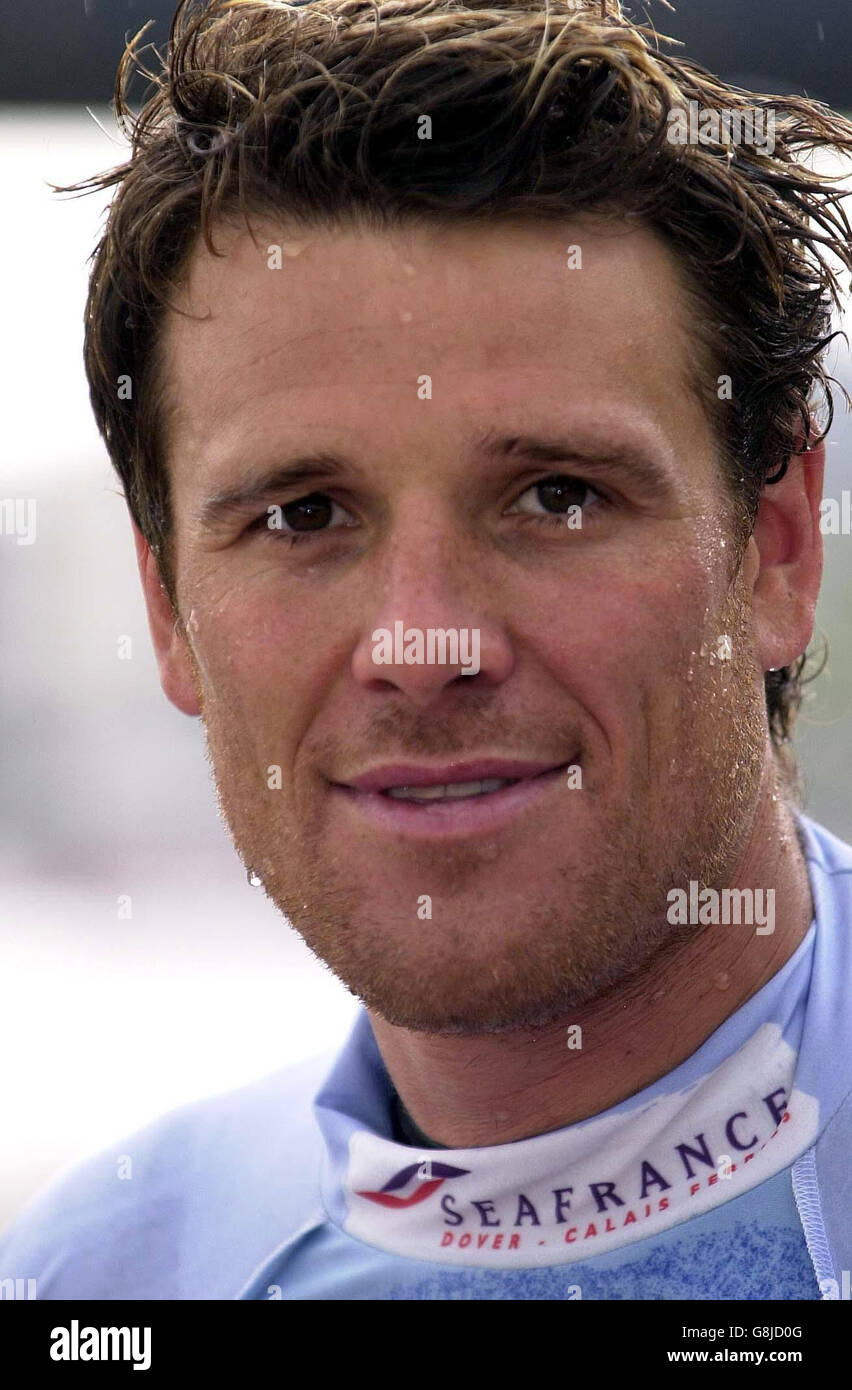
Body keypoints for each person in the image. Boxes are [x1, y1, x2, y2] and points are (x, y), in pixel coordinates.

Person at [2, 0, 852, 1301]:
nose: (423, 641)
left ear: (778, 547)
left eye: (559, 496)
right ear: (167, 608)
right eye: (302, 516)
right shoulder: (98, 1279)